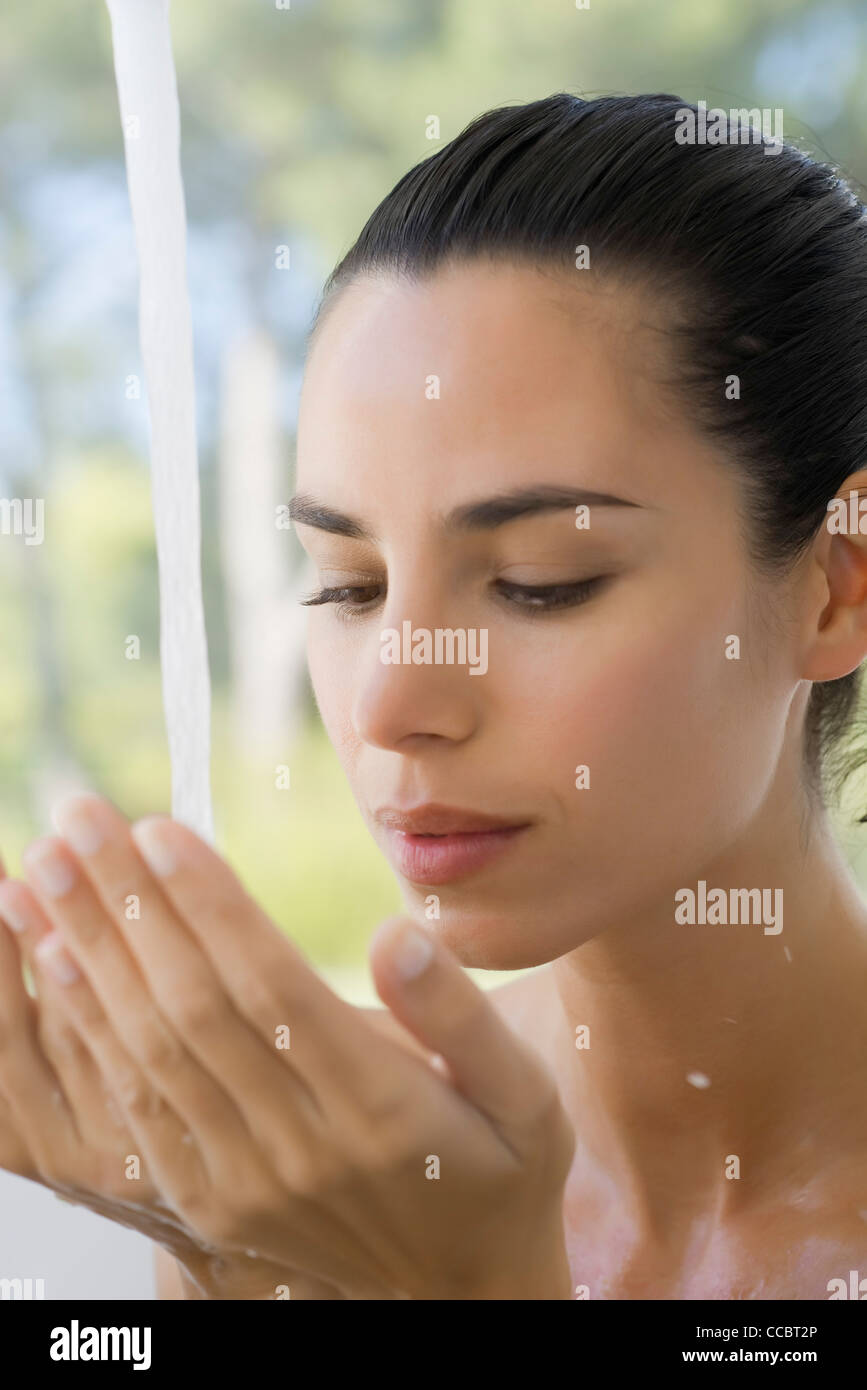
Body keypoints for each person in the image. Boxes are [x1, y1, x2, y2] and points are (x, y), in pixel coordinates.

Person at [2, 91, 867, 1299]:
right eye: (348, 586)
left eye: (537, 584)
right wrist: (222, 1277)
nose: (388, 703)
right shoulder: (325, 1193)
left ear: (836, 587)